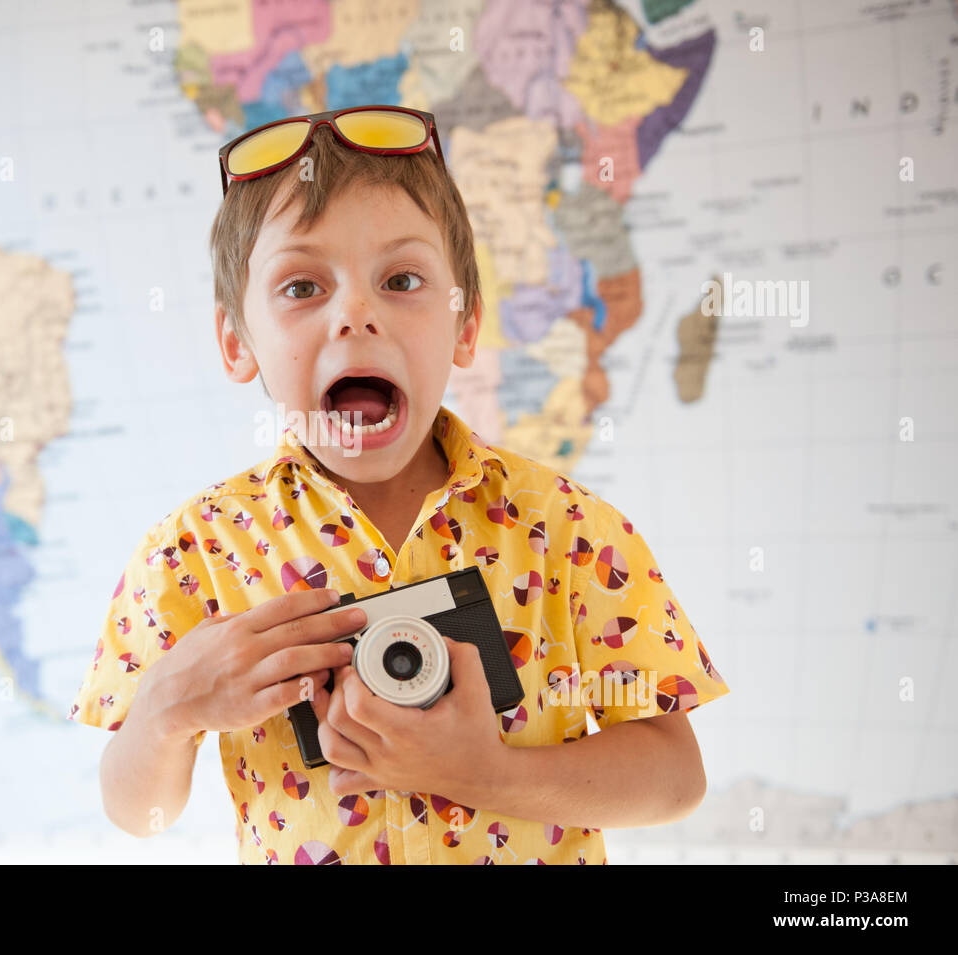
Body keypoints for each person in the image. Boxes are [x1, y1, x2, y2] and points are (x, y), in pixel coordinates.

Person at [68, 106, 729, 864]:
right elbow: (138, 814)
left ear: (466, 325)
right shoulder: (192, 553)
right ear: (236, 341)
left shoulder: (568, 528)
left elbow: (677, 779)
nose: (356, 313)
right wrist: (161, 713)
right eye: (302, 286)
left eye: (402, 279)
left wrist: (488, 774)